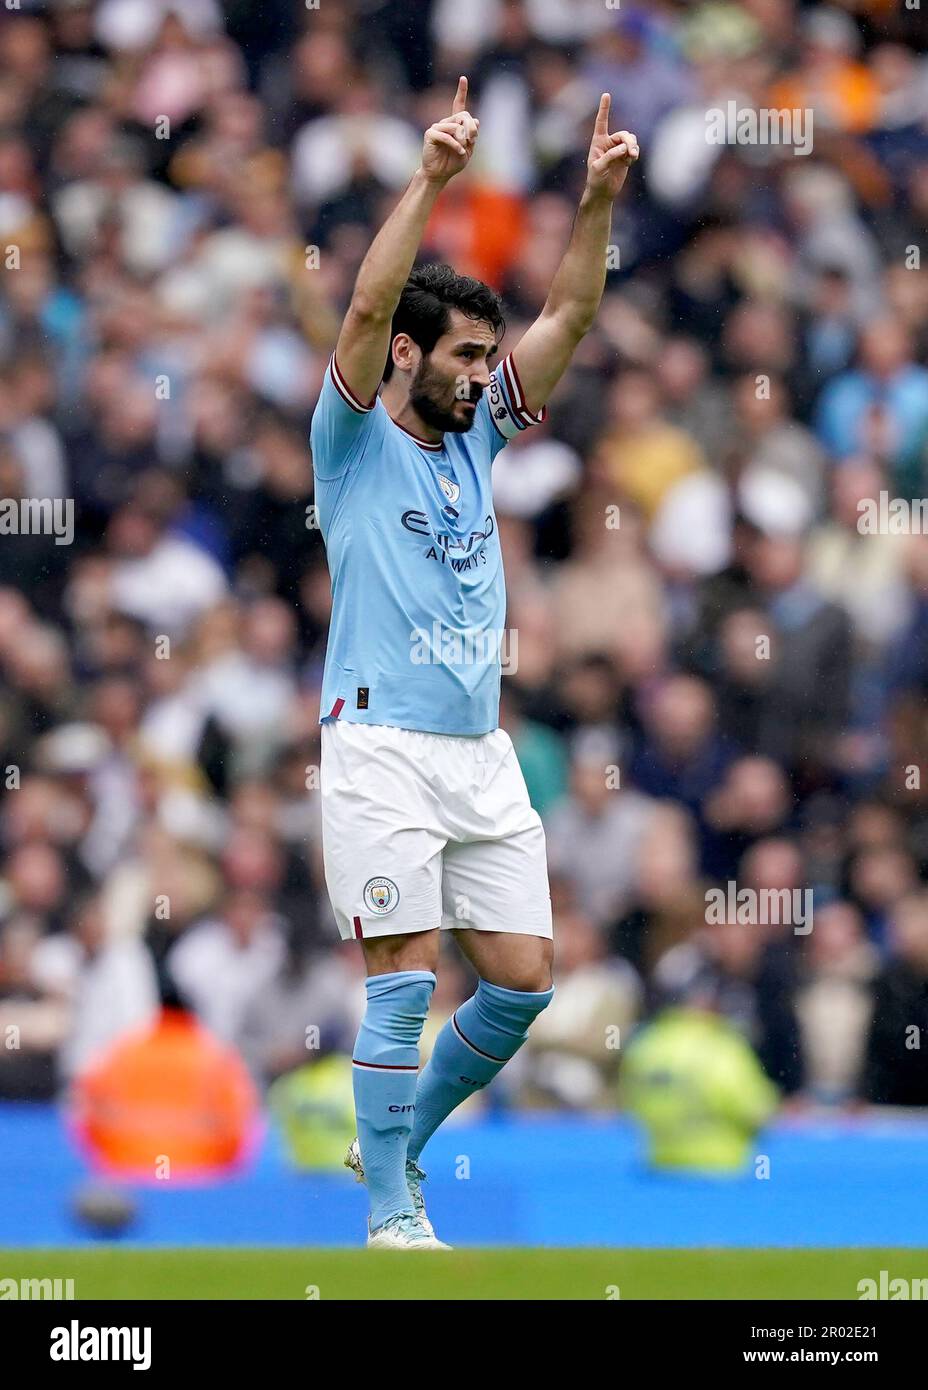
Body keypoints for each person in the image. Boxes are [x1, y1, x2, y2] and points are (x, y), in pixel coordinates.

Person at [310, 75, 639, 1248]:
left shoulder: (482, 433)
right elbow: (357, 308)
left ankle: (389, 1136)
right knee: (402, 974)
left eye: (482, 357)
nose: (478, 371)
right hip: (379, 742)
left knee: (522, 983)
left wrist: (594, 199)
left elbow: (574, 319)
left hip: (476, 749)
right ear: (408, 354)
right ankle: (393, 1208)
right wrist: (432, 177)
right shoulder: (348, 440)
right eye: (459, 354)